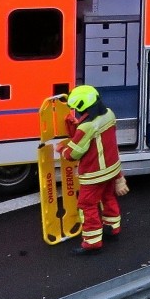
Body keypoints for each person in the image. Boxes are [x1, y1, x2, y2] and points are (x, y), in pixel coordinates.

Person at [62, 85, 122, 256]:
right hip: (112, 168)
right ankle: (112, 228)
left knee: (87, 205)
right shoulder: (109, 113)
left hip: (94, 173)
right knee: (107, 197)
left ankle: (92, 242)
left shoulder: (86, 126)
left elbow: (74, 153)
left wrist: (63, 150)